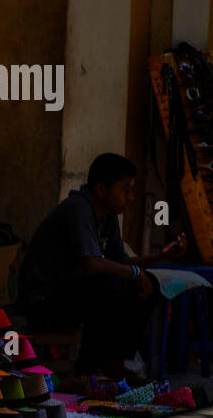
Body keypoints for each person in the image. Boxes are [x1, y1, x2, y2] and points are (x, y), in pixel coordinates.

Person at [19, 153, 186, 377]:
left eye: (132, 189)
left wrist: (160, 257)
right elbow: (93, 265)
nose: (130, 197)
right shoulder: (78, 209)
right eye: (124, 189)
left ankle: (116, 360)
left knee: (149, 284)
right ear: (101, 190)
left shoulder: (108, 216)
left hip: (71, 292)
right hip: (41, 300)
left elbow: (120, 261)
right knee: (108, 284)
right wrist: (133, 272)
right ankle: (89, 368)